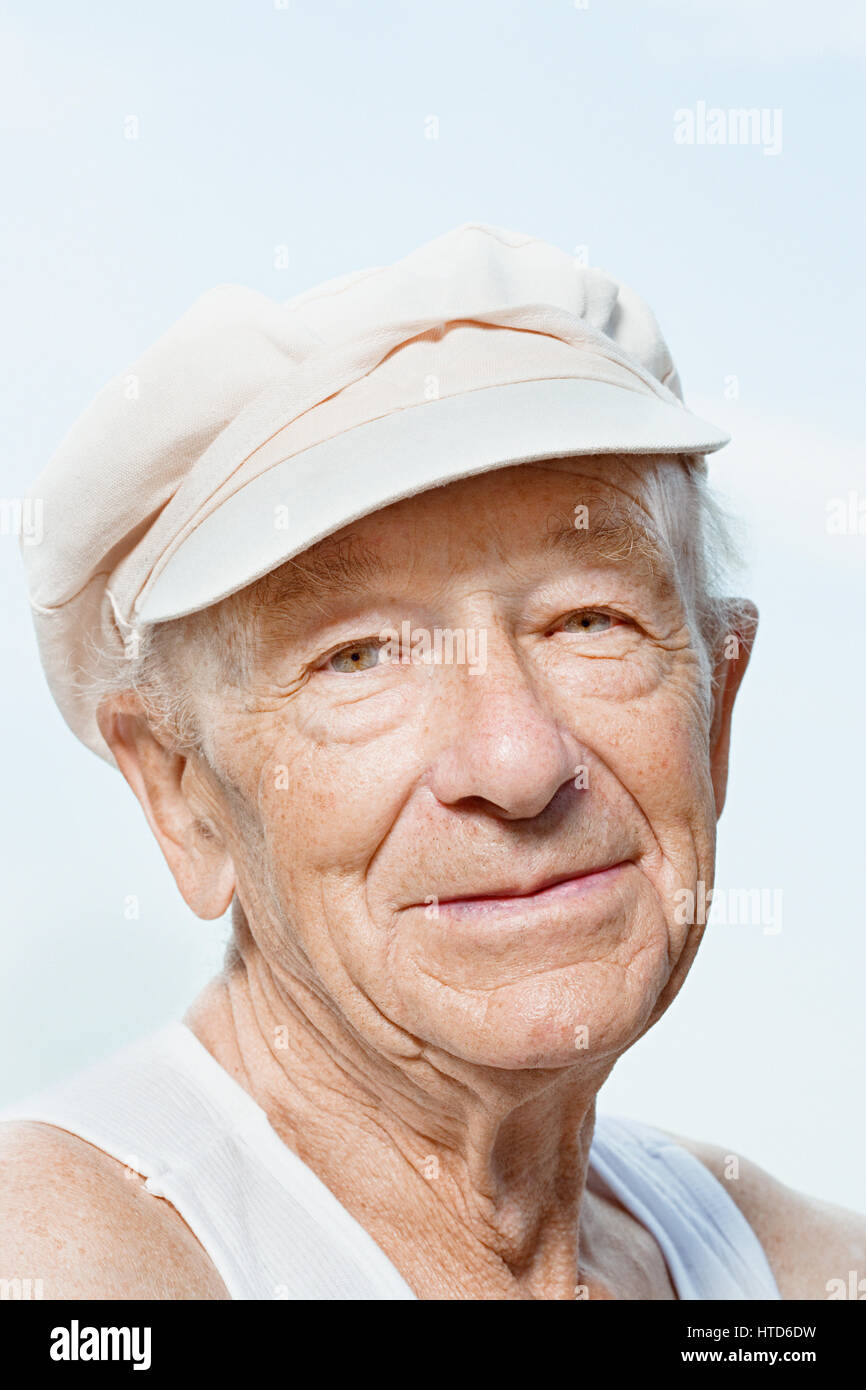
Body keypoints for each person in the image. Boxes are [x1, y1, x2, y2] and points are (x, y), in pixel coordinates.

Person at [2, 223, 861, 1300]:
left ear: (715, 710)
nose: (516, 761)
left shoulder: (806, 1274)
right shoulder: (61, 1266)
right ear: (182, 797)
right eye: (355, 656)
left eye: (589, 621)